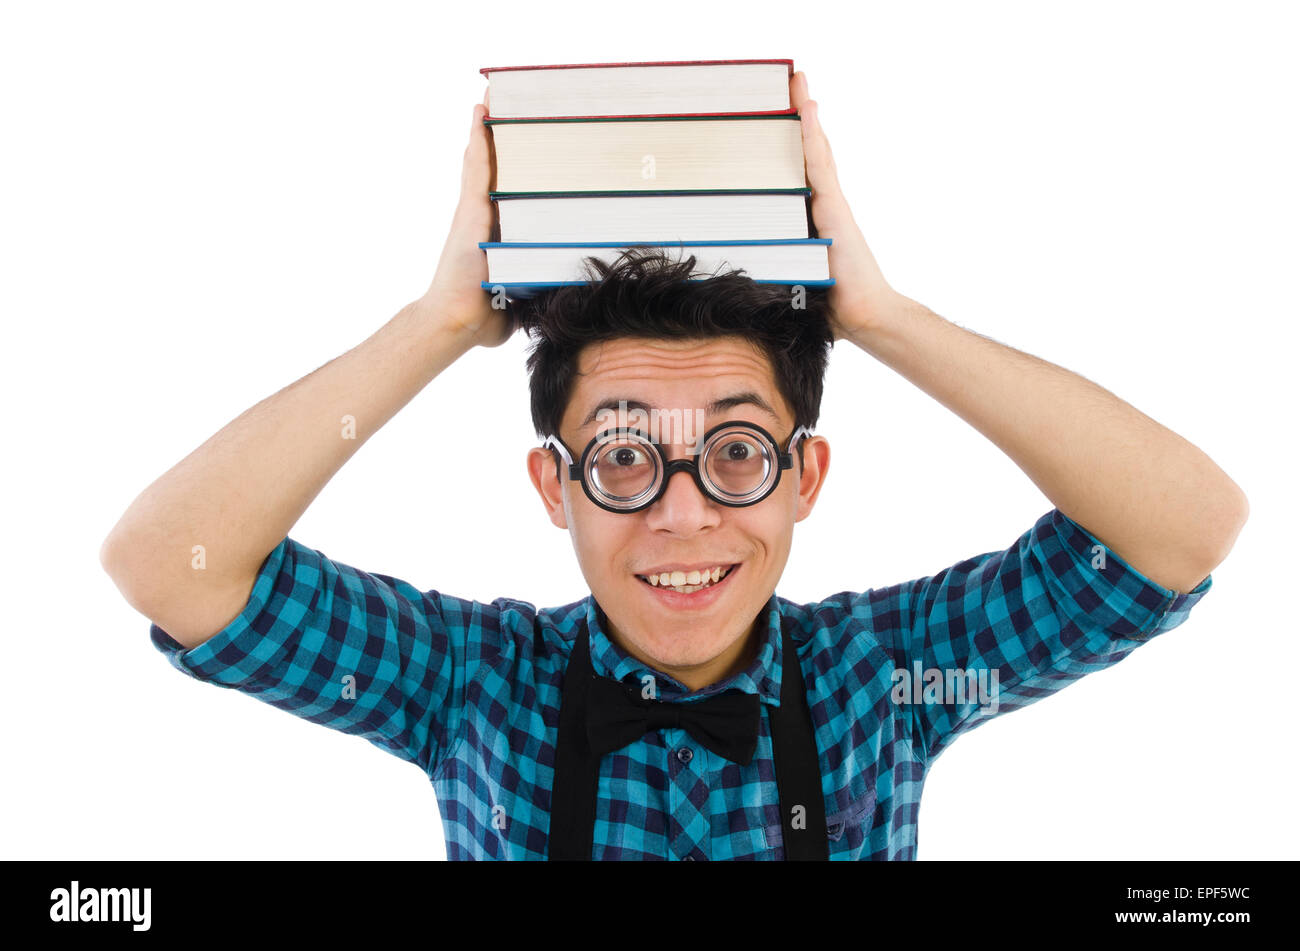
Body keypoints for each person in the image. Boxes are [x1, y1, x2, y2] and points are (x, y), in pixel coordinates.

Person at [99, 73, 1248, 860]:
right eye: (623, 458)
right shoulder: (469, 684)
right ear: (554, 488)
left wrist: (886, 319)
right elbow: (172, 562)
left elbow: (1179, 529)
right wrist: (437, 324)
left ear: (806, 479)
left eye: (738, 454)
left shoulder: (889, 678)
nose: (685, 516)